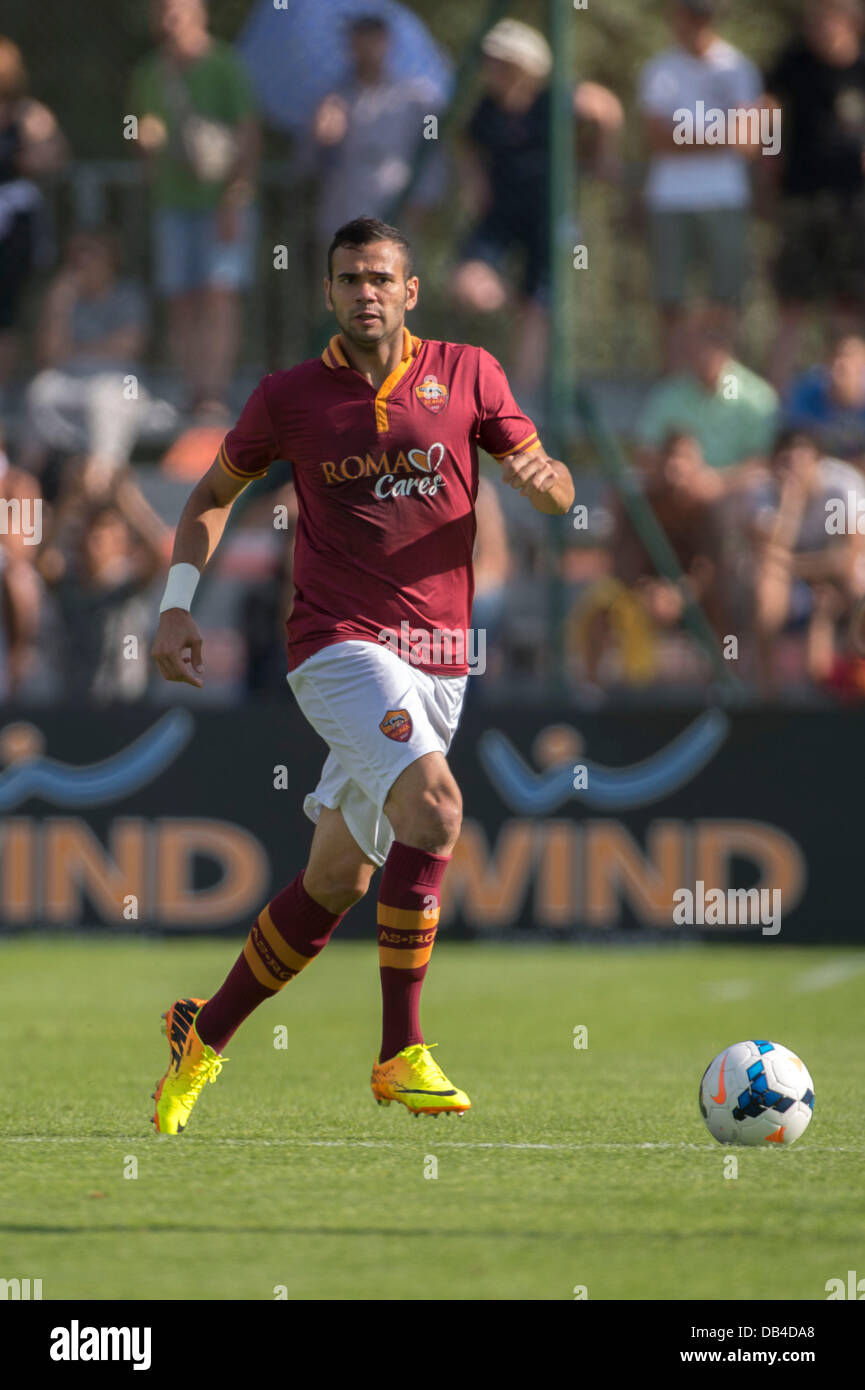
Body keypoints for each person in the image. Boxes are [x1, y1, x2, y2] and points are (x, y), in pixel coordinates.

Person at [149, 215, 574, 1133]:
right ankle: (398, 1054)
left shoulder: (468, 373)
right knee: (437, 807)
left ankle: (203, 1033)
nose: (365, 292)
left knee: (336, 880)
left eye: (381, 277)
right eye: (349, 279)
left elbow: (540, 467)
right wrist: (177, 604)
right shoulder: (291, 396)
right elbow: (213, 494)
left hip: (440, 663)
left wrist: (548, 482)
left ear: (410, 290)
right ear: (330, 292)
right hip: (338, 646)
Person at [452, 18, 622, 401]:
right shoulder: (486, 110)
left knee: (538, 309)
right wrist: (474, 182)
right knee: (469, 283)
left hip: (549, 218)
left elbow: (606, 108)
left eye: (500, 61)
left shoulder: (553, 99)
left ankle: (520, 398)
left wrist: (603, 156)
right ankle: (511, 297)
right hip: (500, 217)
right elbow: (464, 144)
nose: (491, 69)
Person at [129, 0, 259, 414]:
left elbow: (247, 131)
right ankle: (191, 391)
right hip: (173, 201)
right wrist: (140, 138)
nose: (170, 20)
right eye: (163, 11)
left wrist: (235, 195)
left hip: (221, 199)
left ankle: (213, 393)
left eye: (178, 10)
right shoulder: (150, 71)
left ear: (199, 13)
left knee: (219, 294)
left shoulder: (224, 64)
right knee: (181, 297)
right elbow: (135, 125)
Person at [638, 0, 763, 369]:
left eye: (701, 14)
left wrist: (684, 135)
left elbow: (751, 141)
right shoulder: (659, 69)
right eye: (687, 13)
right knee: (671, 298)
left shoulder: (741, 68)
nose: (693, 22)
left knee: (726, 297)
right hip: (669, 200)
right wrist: (723, 134)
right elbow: (655, 139)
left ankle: (719, 379)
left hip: (726, 198)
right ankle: (676, 383)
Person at [763, 0, 865, 390]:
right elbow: (767, 109)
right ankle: (780, 400)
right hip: (802, 198)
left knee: (848, 304)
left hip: (853, 203)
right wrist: (770, 157)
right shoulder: (794, 60)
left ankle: (846, 396)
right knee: (793, 303)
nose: (820, 25)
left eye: (829, 16)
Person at [23, 230, 150, 488]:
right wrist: (58, 305)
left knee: (108, 398)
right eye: (76, 256)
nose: (82, 262)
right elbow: (49, 356)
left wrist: (75, 350)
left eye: (90, 254)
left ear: (109, 260)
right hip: (72, 378)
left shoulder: (128, 294)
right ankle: (26, 485)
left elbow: (128, 347)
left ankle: (100, 481)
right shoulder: (65, 298)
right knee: (40, 391)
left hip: (125, 379)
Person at [311, 14, 444, 251]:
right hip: (343, 213)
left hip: (396, 208)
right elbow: (308, 167)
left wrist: (423, 200)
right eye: (359, 39)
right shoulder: (332, 99)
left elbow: (431, 153)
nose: (365, 47)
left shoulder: (417, 99)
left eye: (373, 39)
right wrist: (321, 139)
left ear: (387, 42)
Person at [0, 36, 67, 386]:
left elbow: (55, 154)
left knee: (6, 312)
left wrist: (31, 158)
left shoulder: (26, 114)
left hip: (14, 224)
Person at [635, 318, 779, 478]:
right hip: (677, 484)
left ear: (726, 348)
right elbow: (647, 449)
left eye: (711, 344)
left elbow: (762, 460)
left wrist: (716, 483)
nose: (702, 354)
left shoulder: (755, 396)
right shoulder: (670, 393)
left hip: (736, 488)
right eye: (696, 346)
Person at [785, 333, 865, 468]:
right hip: (815, 475)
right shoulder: (805, 392)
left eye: (848, 356)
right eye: (834, 355)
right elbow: (791, 447)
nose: (840, 362)